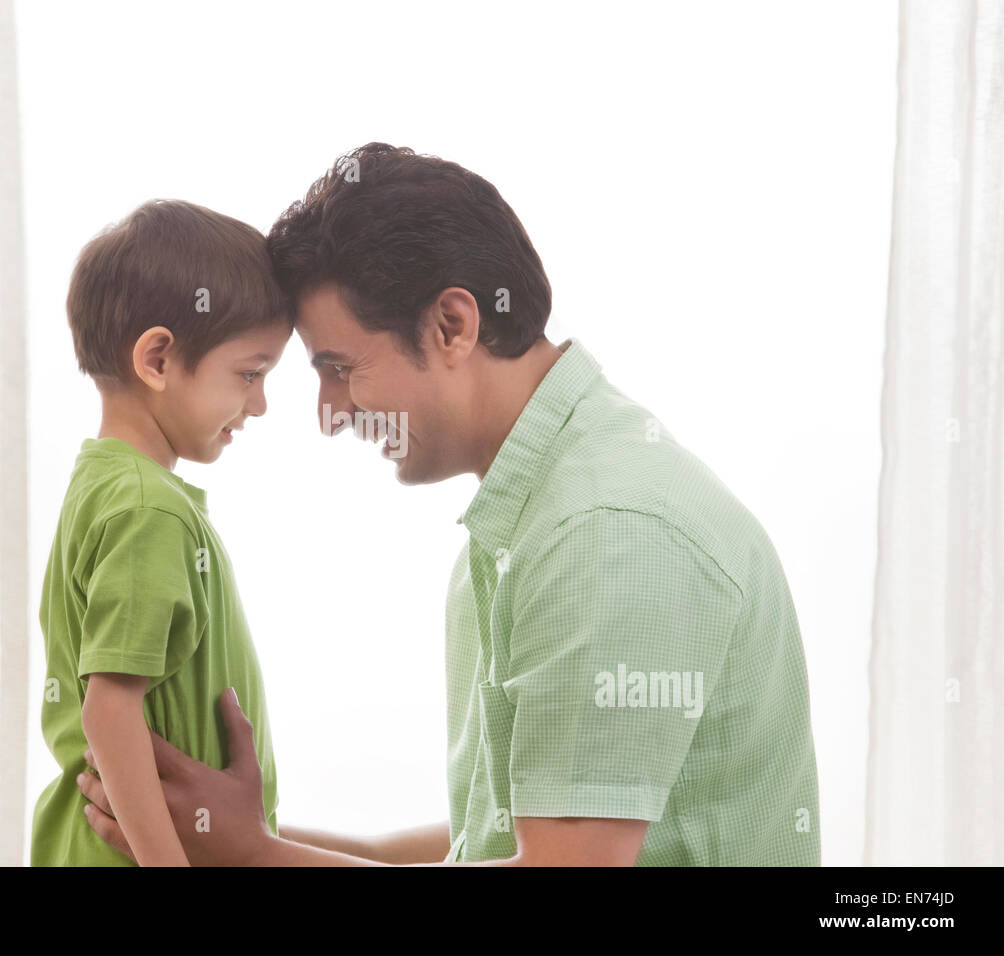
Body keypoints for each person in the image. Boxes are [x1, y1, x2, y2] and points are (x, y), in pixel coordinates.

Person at [79, 144, 822, 866]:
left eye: (338, 368)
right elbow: (496, 841)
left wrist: (256, 854)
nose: (327, 413)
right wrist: (247, 843)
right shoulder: (536, 513)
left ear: (453, 326)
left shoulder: (605, 535)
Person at [30, 199, 292, 866]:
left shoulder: (106, 486)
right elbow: (107, 713)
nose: (258, 404)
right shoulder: (150, 511)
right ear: (158, 359)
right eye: (250, 373)